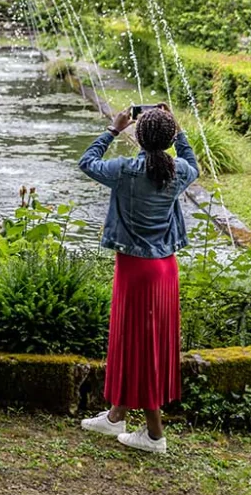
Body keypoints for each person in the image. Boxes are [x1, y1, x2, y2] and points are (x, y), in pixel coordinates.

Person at [79, 105, 199, 454]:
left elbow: (87, 162)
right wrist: (180, 132)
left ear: (139, 137)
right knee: (139, 342)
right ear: (170, 137)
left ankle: (154, 435)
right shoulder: (179, 171)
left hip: (136, 270)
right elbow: (193, 161)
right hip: (164, 269)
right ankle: (116, 415)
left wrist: (113, 129)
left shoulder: (126, 171)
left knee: (142, 348)